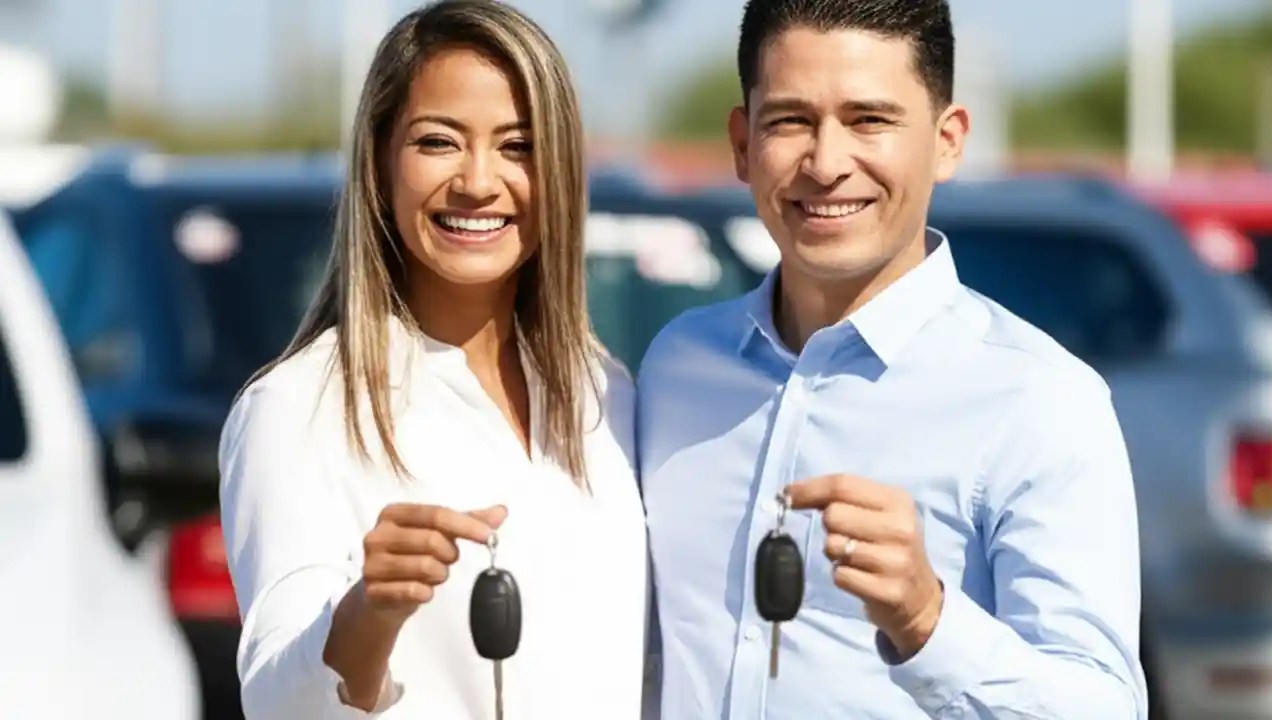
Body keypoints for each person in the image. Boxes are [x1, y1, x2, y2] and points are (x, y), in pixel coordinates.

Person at [635, 0, 1148, 717]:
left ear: (948, 140)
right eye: (790, 121)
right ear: (742, 143)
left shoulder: (1041, 399)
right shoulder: (678, 366)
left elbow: (1103, 706)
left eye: (869, 120)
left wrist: (926, 619)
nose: (826, 163)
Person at [217, 1, 649, 717]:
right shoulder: (297, 408)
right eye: (438, 142)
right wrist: (369, 611)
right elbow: (276, 699)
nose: (478, 181)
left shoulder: (609, 393)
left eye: (518, 146)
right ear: (380, 162)